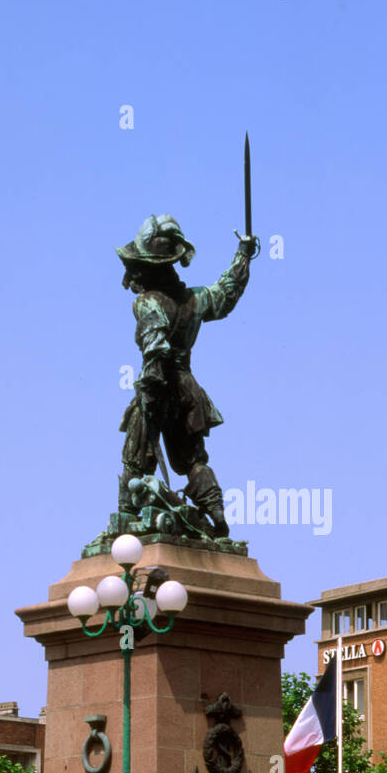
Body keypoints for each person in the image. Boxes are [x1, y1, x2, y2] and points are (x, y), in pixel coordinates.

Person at [116, 215, 258, 537]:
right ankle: (217, 515)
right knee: (194, 460)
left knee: (135, 457)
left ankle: (124, 521)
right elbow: (226, 293)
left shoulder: (147, 302)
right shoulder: (195, 299)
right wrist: (243, 255)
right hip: (187, 389)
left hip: (159, 385)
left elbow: (155, 346)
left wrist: (151, 395)